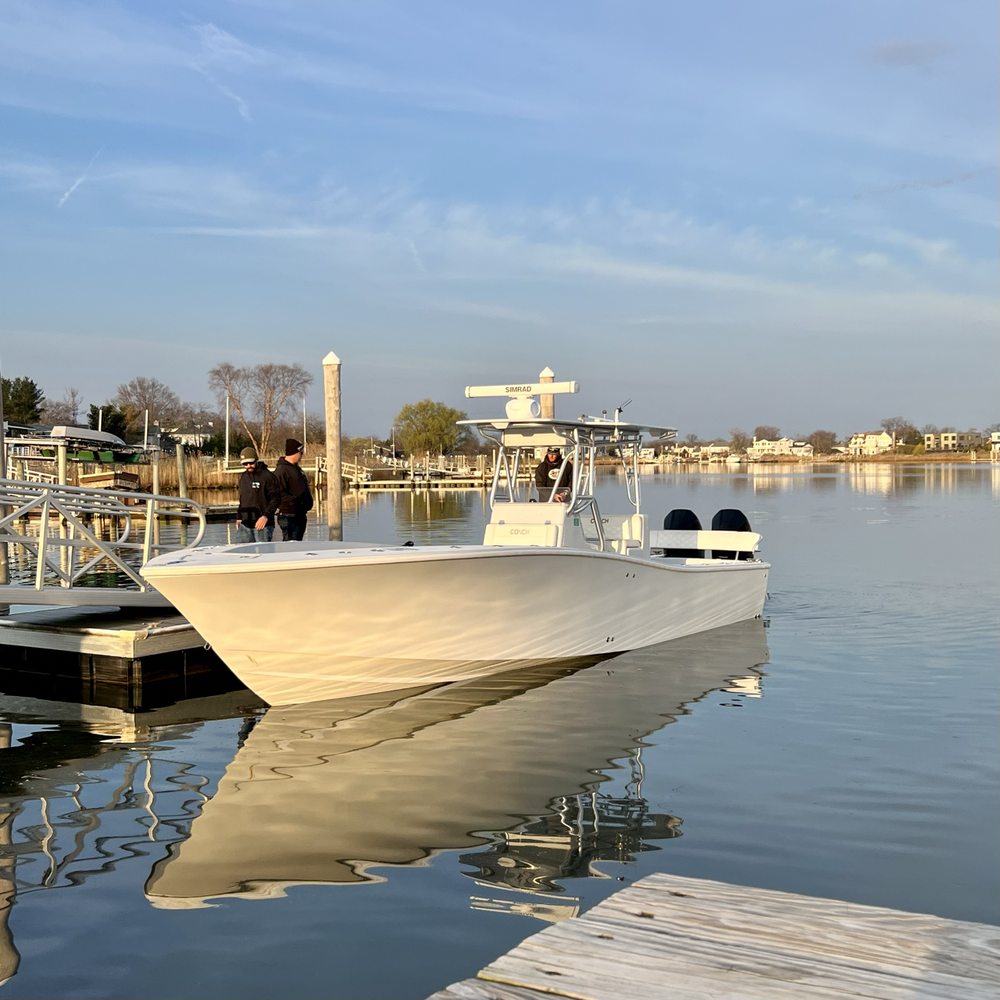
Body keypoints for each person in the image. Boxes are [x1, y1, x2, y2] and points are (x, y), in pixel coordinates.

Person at [235, 447, 279, 543]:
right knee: (241, 550)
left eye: (251, 463)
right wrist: (239, 516)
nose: (248, 466)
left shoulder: (268, 476)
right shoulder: (243, 477)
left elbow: (275, 499)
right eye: (245, 464)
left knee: (263, 552)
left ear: (256, 460)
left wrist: (265, 516)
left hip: (263, 525)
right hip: (245, 525)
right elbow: (242, 498)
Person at [274, 438, 314, 541]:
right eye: (301, 453)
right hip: (289, 515)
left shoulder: (297, 469)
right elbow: (278, 492)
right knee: (290, 544)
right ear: (294, 453)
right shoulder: (281, 470)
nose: (302, 455)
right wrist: (296, 501)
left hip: (300, 513)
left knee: (298, 544)